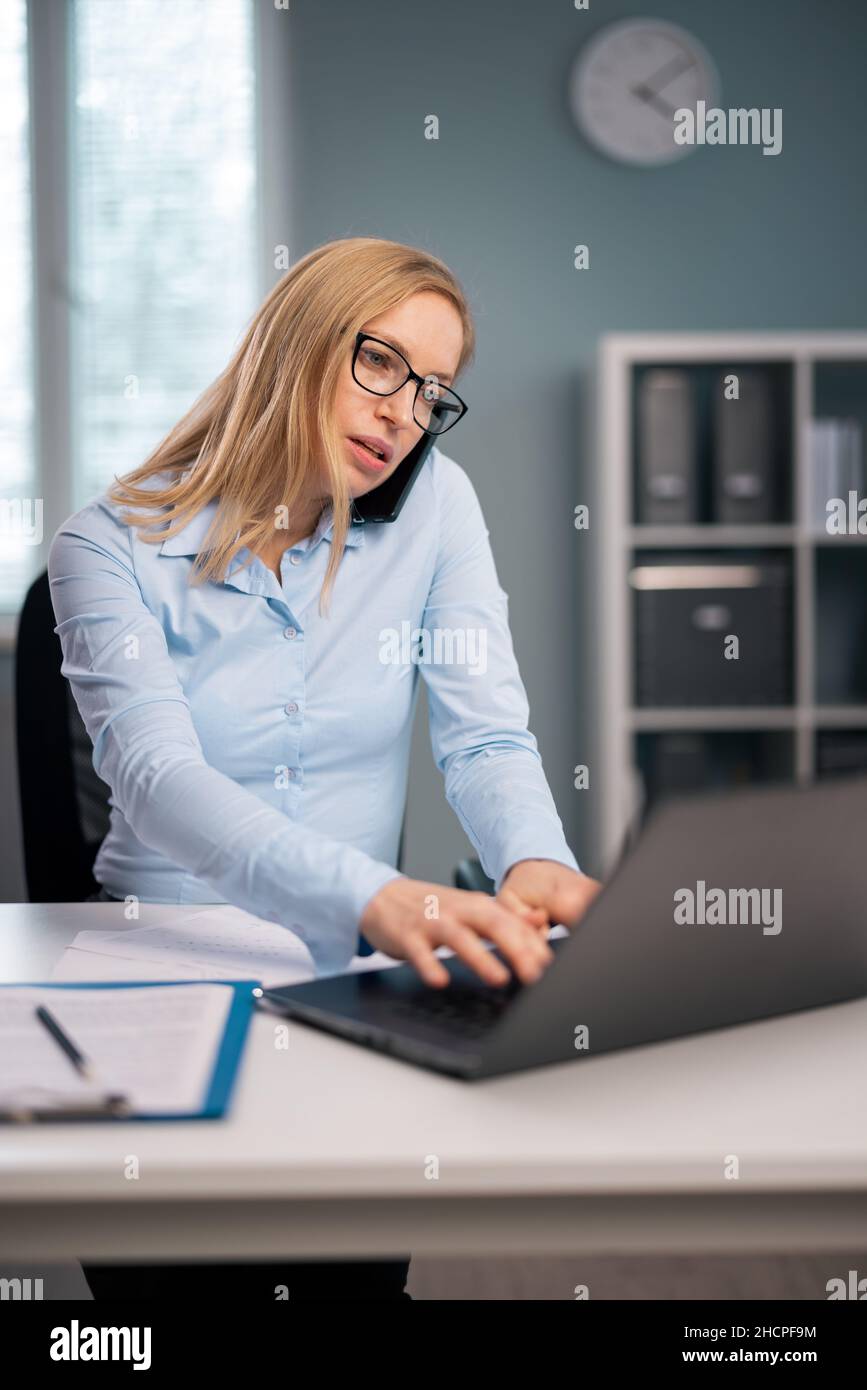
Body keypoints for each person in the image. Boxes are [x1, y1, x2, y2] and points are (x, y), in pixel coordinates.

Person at [50, 236, 602, 1301]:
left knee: (351, 1286)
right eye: (381, 361)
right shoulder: (104, 544)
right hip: (167, 961)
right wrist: (379, 897)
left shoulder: (439, 505)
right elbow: (159, 779)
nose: (405, 412)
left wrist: (534, 856)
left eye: (434, 390)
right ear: (294, 343)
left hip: (354, 972)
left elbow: (484, 734)